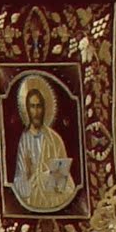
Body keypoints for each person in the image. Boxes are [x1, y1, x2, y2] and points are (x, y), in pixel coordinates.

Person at [11, 77, 77, 213]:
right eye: (32, 107)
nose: (36, 112)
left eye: (38, 106)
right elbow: (19, 179)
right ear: (27, 110)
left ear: (44, 108)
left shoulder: (54, 139)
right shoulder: (24, 140)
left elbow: (61, 180)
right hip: (31, 201)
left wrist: (42, 176)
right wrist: (29, 175)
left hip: (53, 199)